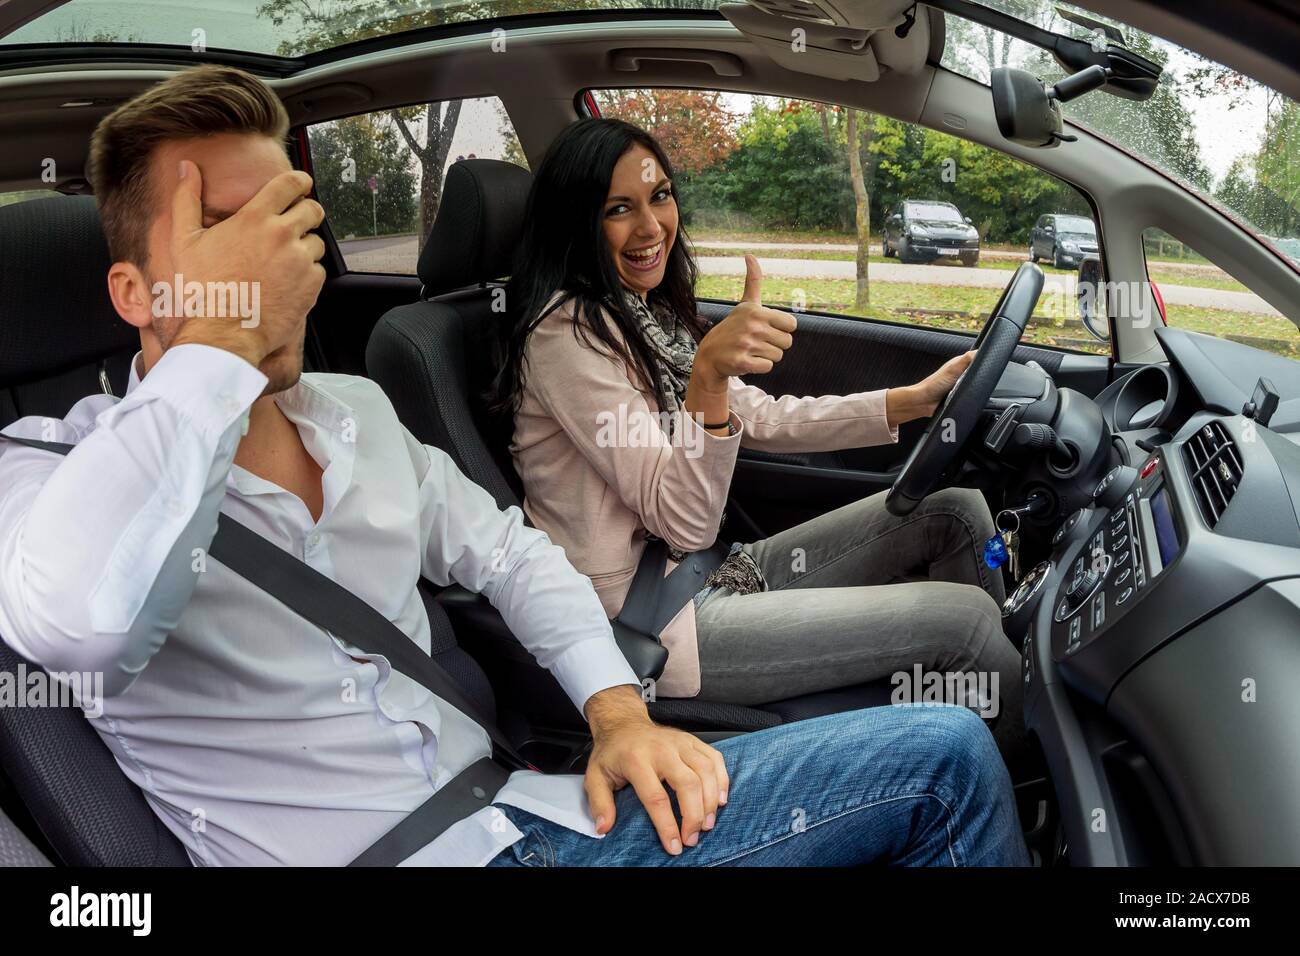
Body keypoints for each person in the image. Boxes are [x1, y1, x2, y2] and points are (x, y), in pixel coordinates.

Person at [0, 67, 1027, 866]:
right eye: (227, 234)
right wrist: (220, 343)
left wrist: (615, 707)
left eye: (288, 224)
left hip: (529, 805)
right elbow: (88, 621)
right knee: (945, 756)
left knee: (937, 684)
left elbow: (510, 553)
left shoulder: (356, 410)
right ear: (132, 292)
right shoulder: (42, 477)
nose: (271, 263)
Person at [493, 118, 1028, 769]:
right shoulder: (566, 339)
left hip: (713, 574)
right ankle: (1014, 783)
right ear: (578, 222)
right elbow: (684, 522)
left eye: (660, 195)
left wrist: (909, 401)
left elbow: (768, 418)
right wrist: (710, 376)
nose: (652, 227)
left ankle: (985, 722)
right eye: (618, 209)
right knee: (967, 625)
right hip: (651, 627)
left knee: (955, 512)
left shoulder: (645, 317)